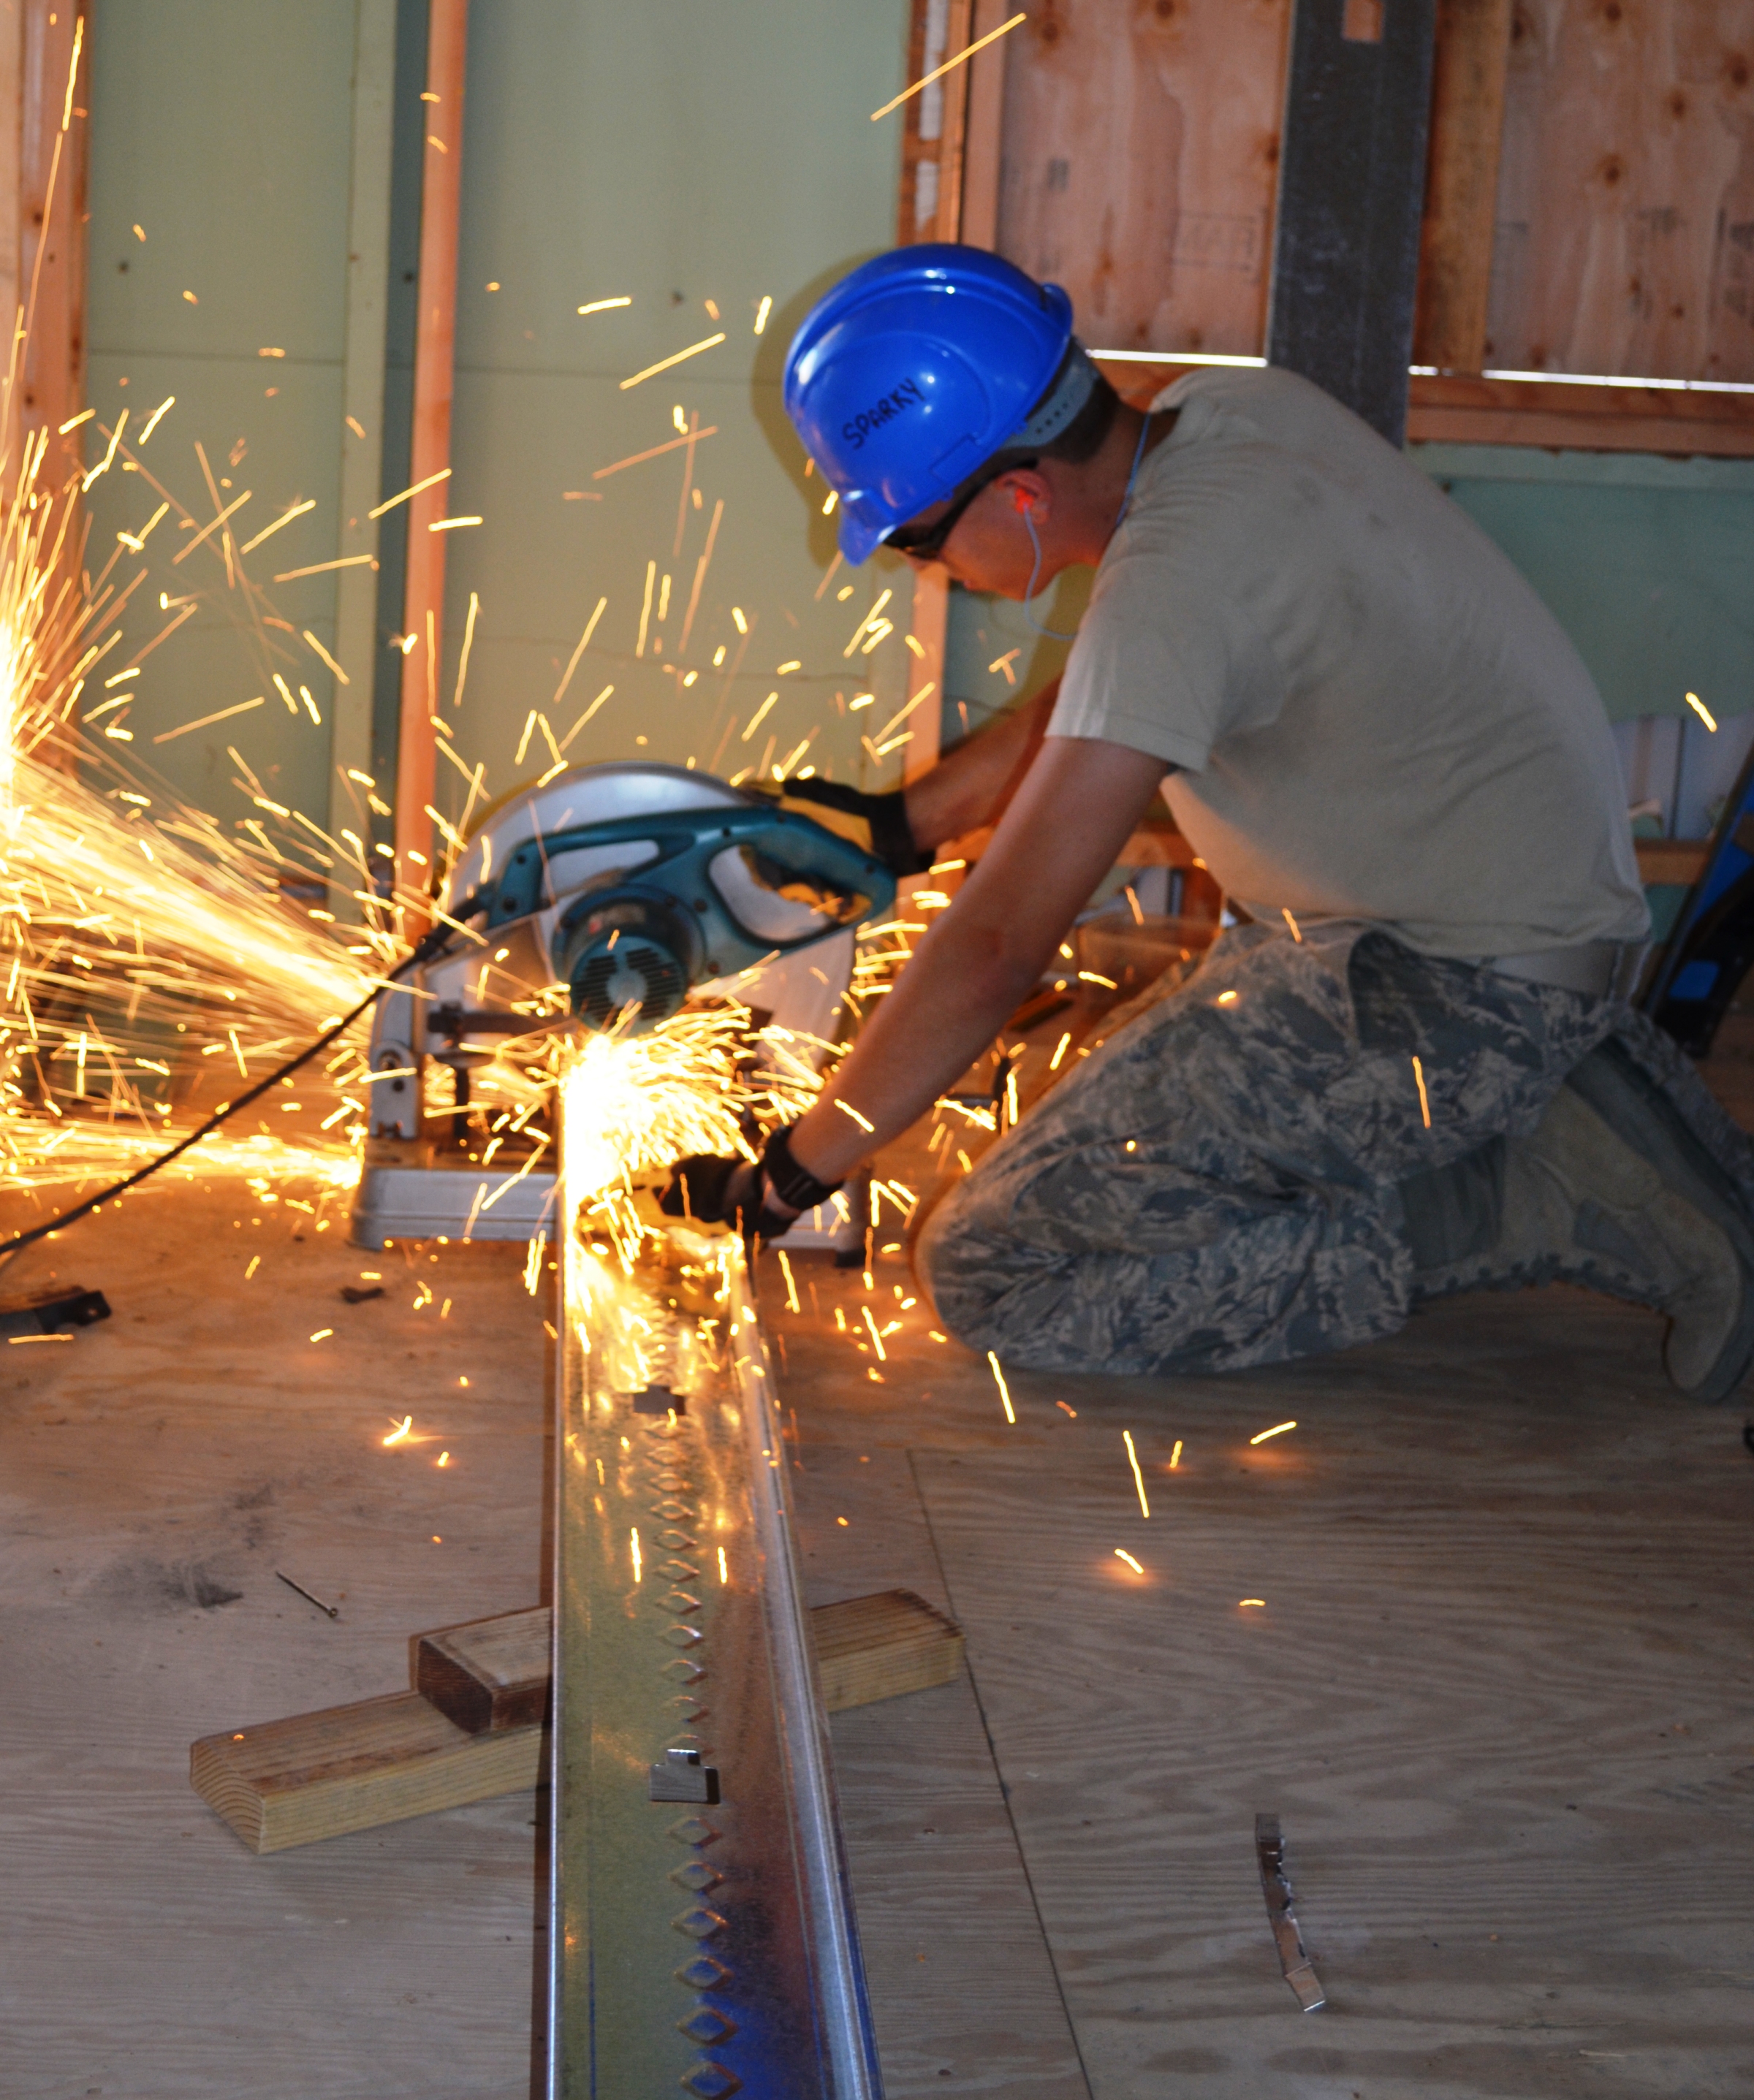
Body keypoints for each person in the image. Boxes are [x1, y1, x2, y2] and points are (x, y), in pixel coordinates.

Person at [664, 245, 1754, 1402]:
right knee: (1060, 1095)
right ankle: (1556, 1098)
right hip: (1463, 923)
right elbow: (1109, 695)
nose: (925, 572)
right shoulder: (1220, 413)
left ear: (1019, 494)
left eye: (918, 541)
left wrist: (784, 1179)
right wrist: (901, 823)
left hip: (1444, 993)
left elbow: (992, 952)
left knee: (991, 1268)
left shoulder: (1174, 589)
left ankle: (1510, 1187)